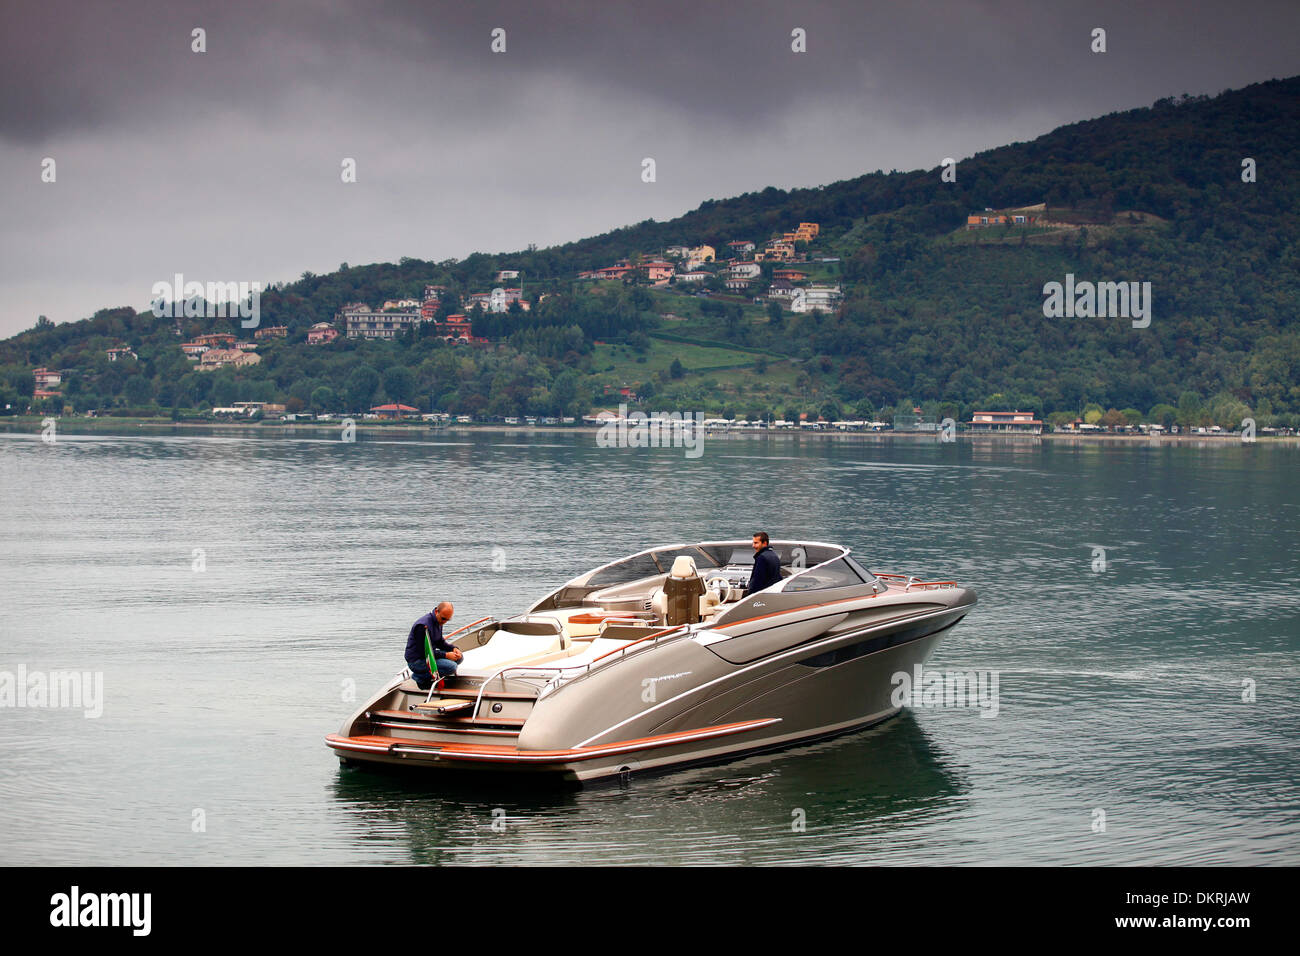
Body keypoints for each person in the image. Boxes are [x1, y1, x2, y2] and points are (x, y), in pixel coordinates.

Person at [404, 601, 460, 691]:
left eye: (447, 620)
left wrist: (453, 648)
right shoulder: (422, 626)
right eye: (443, 619)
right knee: (451, 667)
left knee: (459, 658)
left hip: (429, 655)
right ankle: (418, 676)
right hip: (417, 661)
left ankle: (433, 674)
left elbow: (440, 642)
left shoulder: (438, 621)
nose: (444, 622)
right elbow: (423, 652)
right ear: (436, 611)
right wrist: (445, 655)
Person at [744, 532, 781, 596]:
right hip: (772, 594)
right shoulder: (775, 556)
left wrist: (749, 595)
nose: (753, 546)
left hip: (760, 596)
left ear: (764, 543)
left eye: (756, 543)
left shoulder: (762, 557)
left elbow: (757, 580)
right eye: (753, 543)